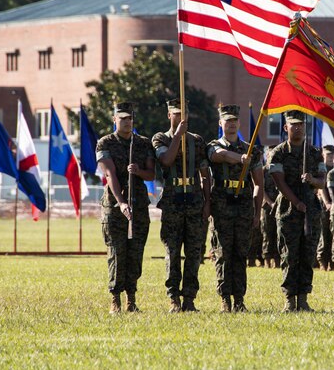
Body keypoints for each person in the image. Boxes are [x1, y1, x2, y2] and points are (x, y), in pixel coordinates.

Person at [97, 102, 156, 313]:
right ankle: (115, 298)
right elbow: (109, 174)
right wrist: (121, 202)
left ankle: (131, 298)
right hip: (114, 207)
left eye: (130, 118)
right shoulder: (105, 143)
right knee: (117, 252)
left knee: (135, 253)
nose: (127, 122)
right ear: (115, 120)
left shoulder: (143, 143)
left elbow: (151, 174)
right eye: (122, 118)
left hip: (138, 206)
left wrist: (139, 171)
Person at [152, 99, 210, 313]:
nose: (180, 117)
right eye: (176, 113)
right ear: (169, 115)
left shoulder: (197, 141)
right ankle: (174, 297)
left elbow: (205, 174)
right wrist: (177, 135)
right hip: (172, 202)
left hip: (194, 201)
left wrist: (207, 202)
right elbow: (166, 160)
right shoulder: (160, 138)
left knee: (194, 253)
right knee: (173, 252)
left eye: (183, 113)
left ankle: (189, 298)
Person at [208, 105, 264, 312]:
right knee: (223, 253)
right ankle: (225, 299)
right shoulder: (213, 145)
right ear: (220, 123)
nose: (231, 124)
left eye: (234, 121)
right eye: (227, 120)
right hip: (221, 206)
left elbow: (259, 184)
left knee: (241, 253)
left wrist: (257, 212)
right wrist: (240, 159)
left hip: (243, 207)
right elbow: (219, 155)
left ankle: (239, 299)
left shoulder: (252, 150)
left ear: (239, 123)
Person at [270, 111, 326, 312]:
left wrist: (312, 180)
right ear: (286, 127)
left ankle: (303, 299)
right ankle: (289, 299)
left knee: (307, 255)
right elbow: (279, 181)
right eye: (293, 125)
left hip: (310, 211)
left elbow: (322, 182)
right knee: (289, 255)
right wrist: (296, 202)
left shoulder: (314, 153)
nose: (298, 128)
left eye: (301, 124)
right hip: (288, 211)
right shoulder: (278, 153)